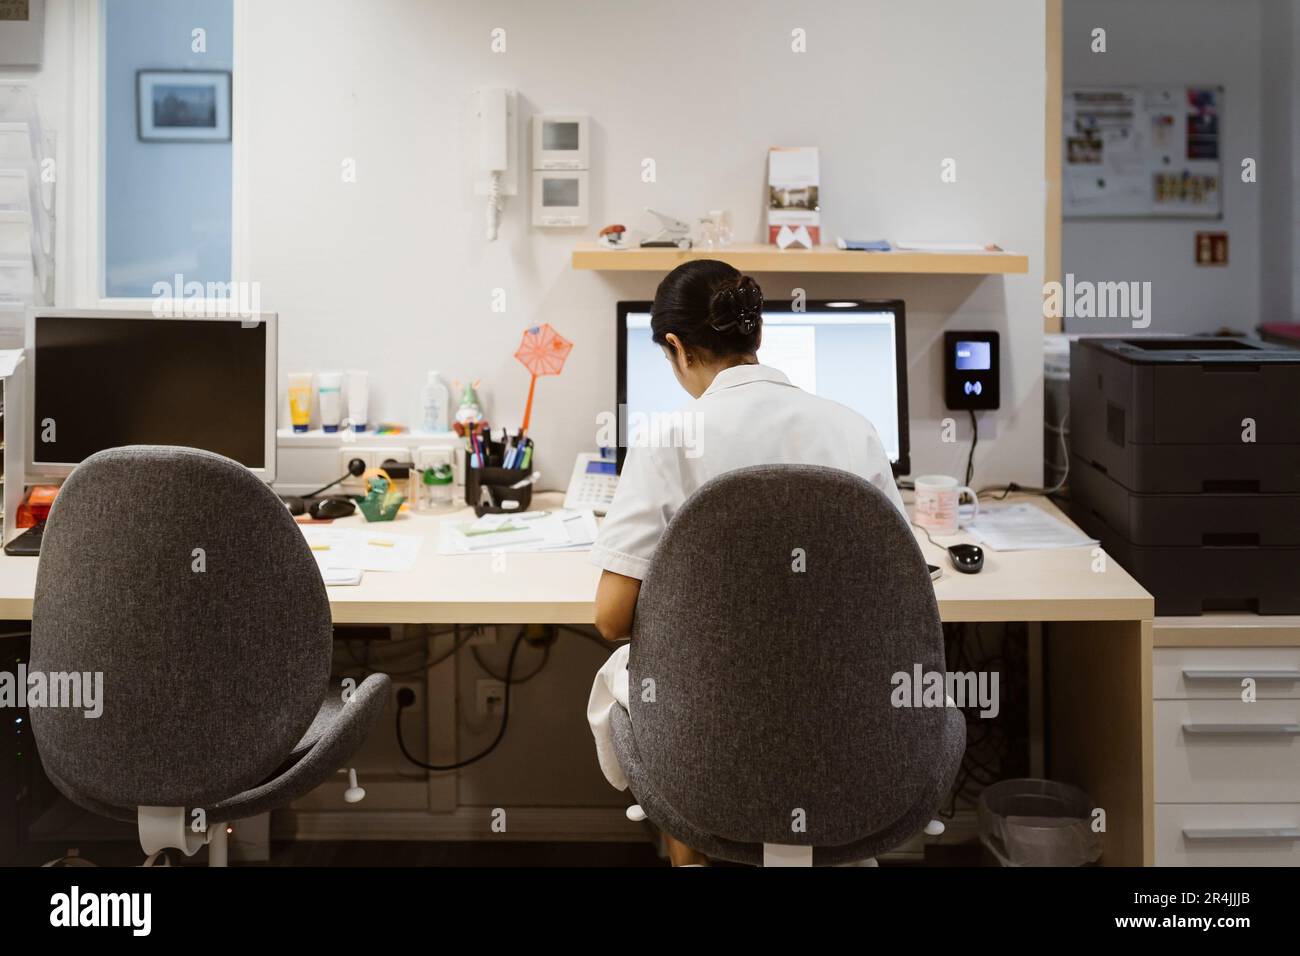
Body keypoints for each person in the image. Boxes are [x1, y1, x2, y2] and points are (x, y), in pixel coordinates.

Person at [585, 259, 905, 866]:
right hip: (845, 734)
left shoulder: (666, 440)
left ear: (675, 347)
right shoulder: (855, 431)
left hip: (711, 747)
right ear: (756, 335)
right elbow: (900, 596)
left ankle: (694, 850)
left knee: (674, 692)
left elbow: (611, 617)